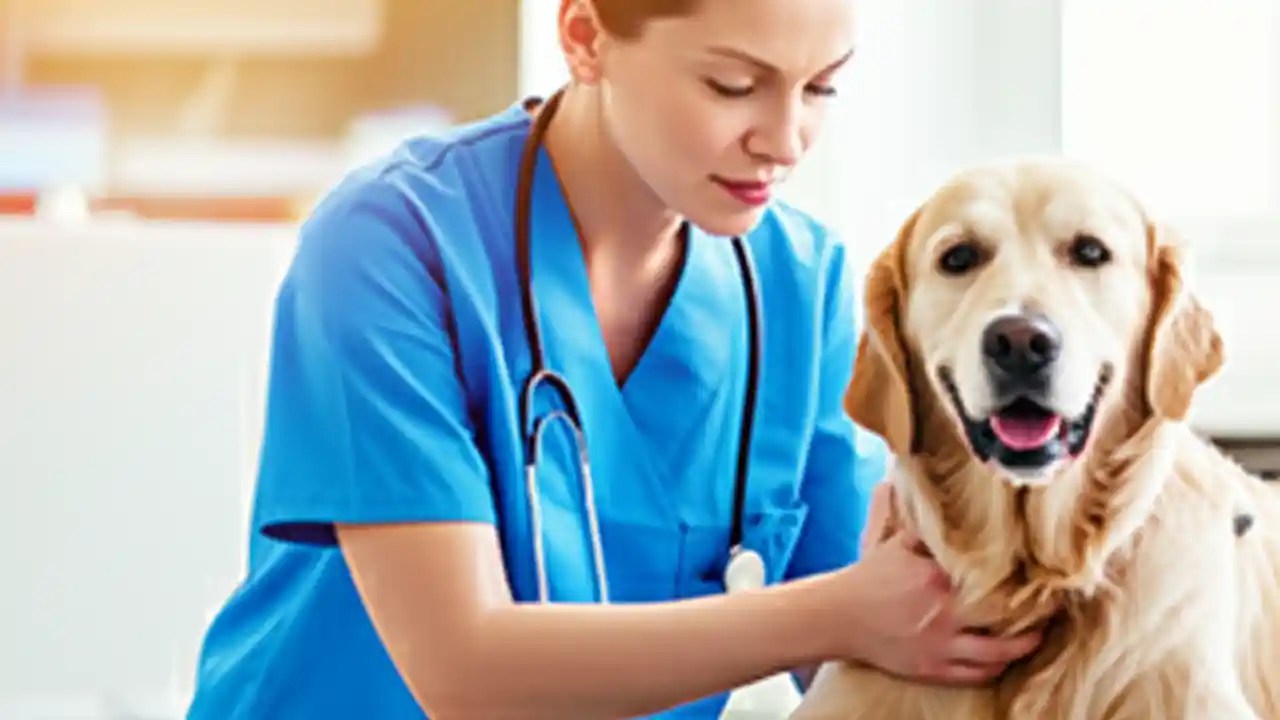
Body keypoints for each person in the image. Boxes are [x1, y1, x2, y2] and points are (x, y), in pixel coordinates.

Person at [185, 0, 1044, 717]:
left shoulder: (800, 282)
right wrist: (836, 615)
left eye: (821, 87)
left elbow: (871, 647)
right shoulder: (389, 244)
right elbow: (465, 670)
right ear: (585, 36)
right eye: (733, 86)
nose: (786, 141)